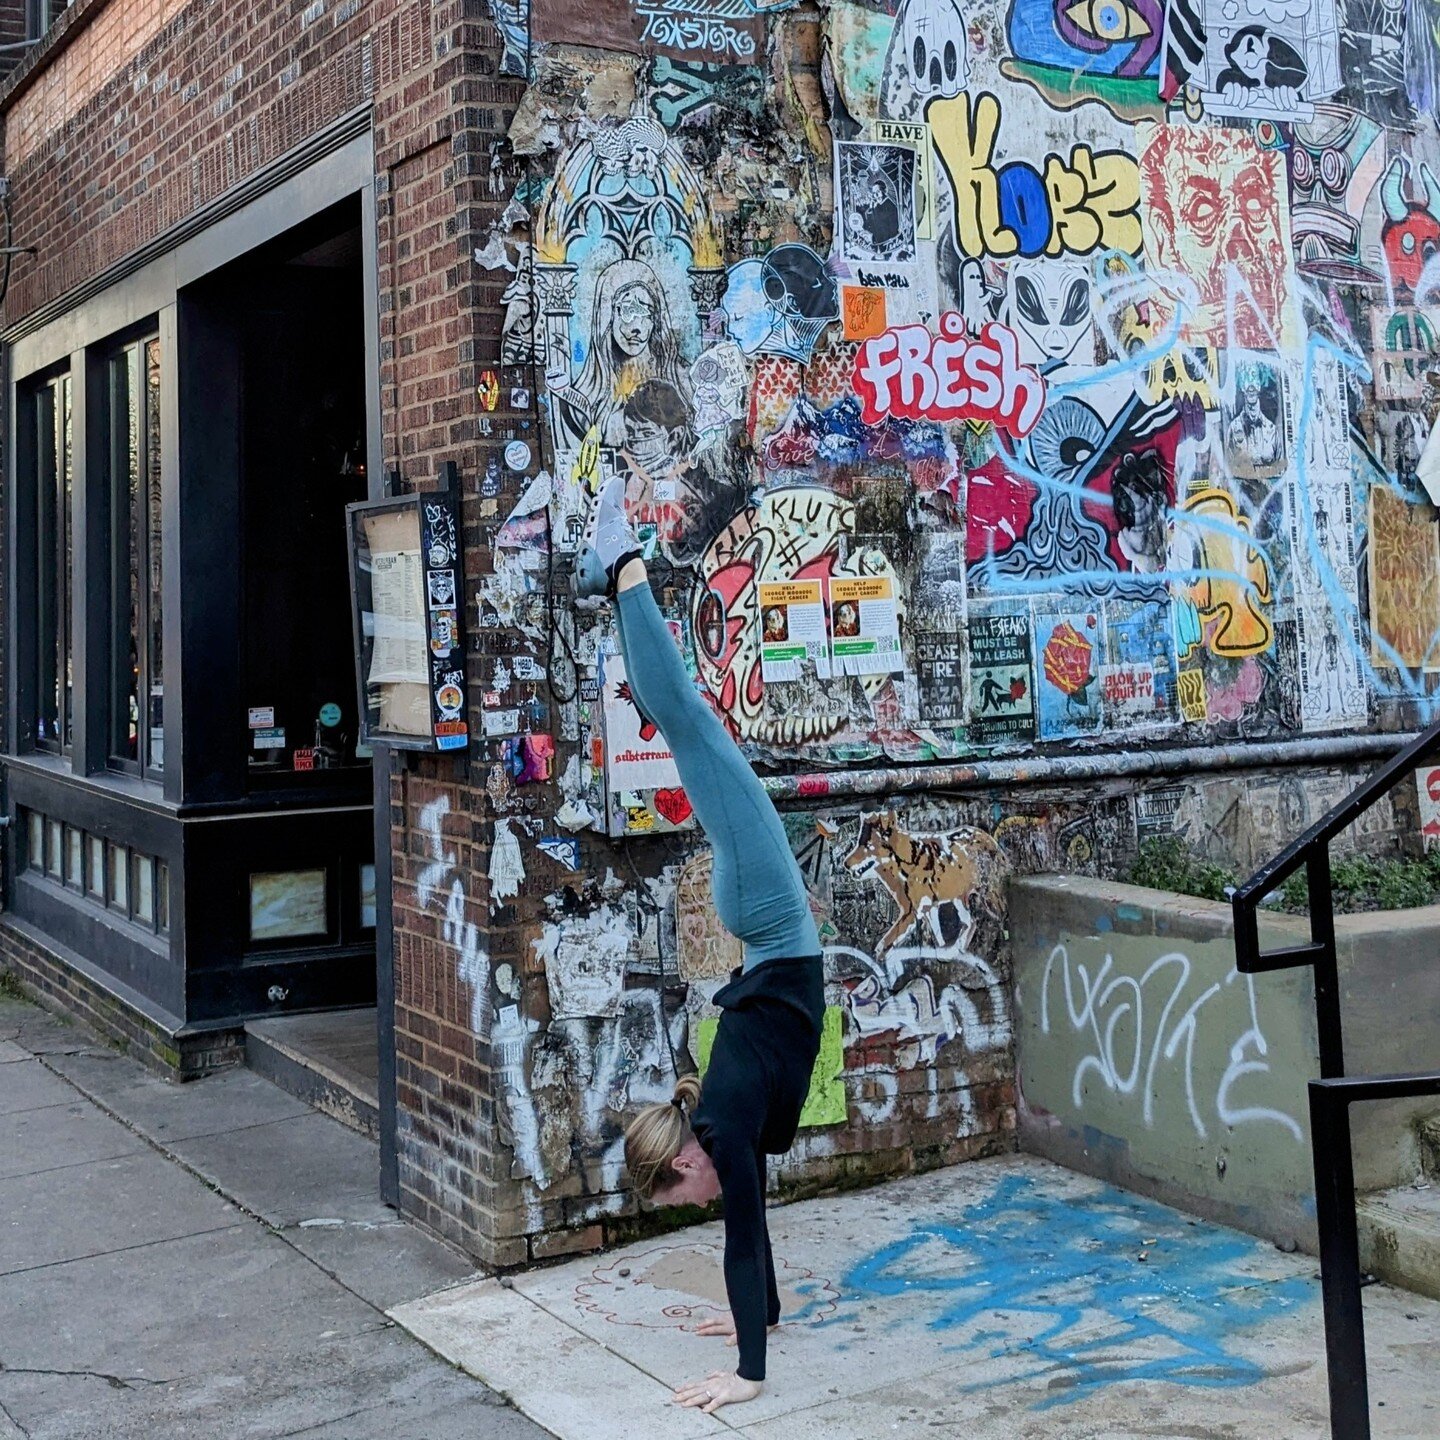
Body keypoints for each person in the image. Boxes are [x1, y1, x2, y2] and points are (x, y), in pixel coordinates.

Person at [573, 474, 825, 1416]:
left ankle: (626, 564)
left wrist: (746, 1377)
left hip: (767, 910)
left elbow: (745, 1236)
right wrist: (751, 1317)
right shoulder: (720, 1129)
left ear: (683, 1160)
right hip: (766, 926)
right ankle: (621, 571)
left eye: (684, 1198)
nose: (701, 1204)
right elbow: (751, 1241)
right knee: (683, 724)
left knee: (685, 721)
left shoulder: (718, 1121)